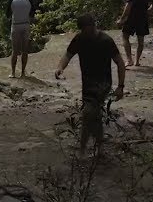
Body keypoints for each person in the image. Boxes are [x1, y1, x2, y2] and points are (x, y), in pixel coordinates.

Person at [54, 14, 126, 154]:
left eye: (91, 29)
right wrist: (60, 67)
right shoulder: (79, 39)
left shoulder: (105, 40)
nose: (89, 32)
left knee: (88, 113)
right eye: (86, 30)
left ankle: (84, 149)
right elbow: (68, 55)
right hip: (87, 84)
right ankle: (97, 148)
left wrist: (120, 87)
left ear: (94, 26)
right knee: (94, 116)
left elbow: (120, 63)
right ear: (81, 29)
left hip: (103, 84)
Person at [116, 0, 153, 67]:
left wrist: (121, 19)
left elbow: (128, 5)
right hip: (143, 17)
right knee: (140, 40)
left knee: (125, 36)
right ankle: (137, 61)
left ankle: (129, 60)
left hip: (132, 17)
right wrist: (148, 11)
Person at [8, 0, 33, 78]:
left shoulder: (12, 0)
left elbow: (8, 14)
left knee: (15, 50)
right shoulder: (28, 0)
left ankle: (13, 73)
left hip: (16, 25)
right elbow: (31, 14)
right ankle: (23, 72)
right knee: (24, 50)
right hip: (25, 25)